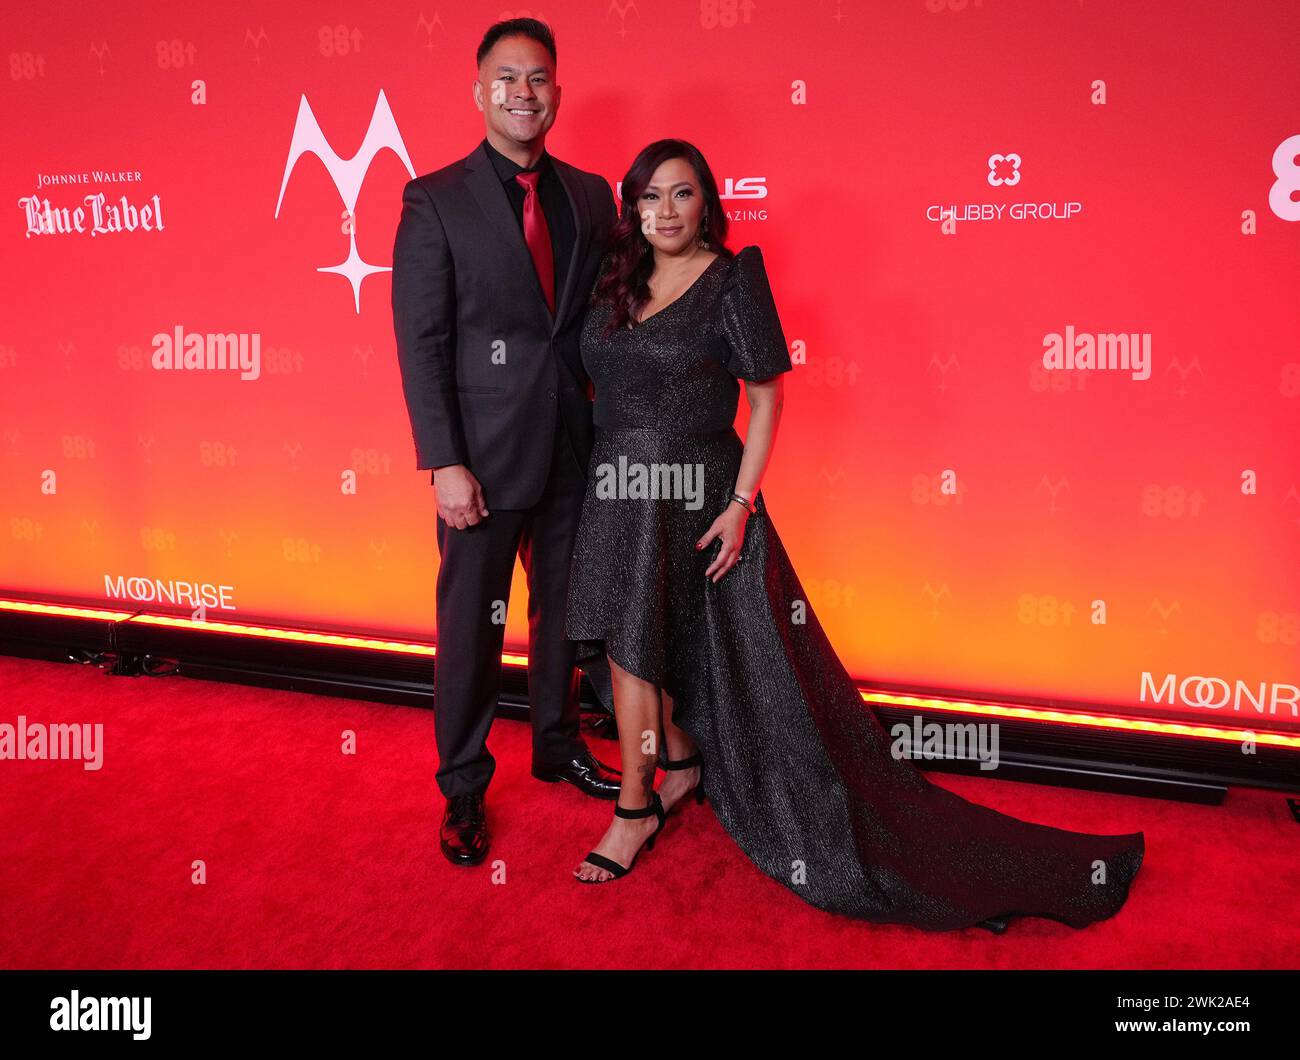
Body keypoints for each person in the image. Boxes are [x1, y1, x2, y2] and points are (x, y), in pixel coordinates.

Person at [563, 138, 1146, 932]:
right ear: (633, 206)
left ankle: (635, 808)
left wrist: (739, 505)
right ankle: (680, 765)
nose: (665, 211)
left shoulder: (733, 279)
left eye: (683, 195)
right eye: (651, 197)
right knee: (625, 646)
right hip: (615, 490)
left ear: (708, 203)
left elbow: (765, 400)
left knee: (655, 652)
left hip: (695, 496)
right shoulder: (613, 281)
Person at [391, 18, 622, 868]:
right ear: (480, 89)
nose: (525, 92)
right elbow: (421, 342)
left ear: (558, 92)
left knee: (564, 614)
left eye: (539, 79)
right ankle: (462, 788)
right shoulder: (434, 198)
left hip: (575, 447)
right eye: (508, 78)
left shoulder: (592, 195)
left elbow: (608, 312)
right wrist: (445, 462)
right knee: (471, 627)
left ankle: (557, 747)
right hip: (479, 463)